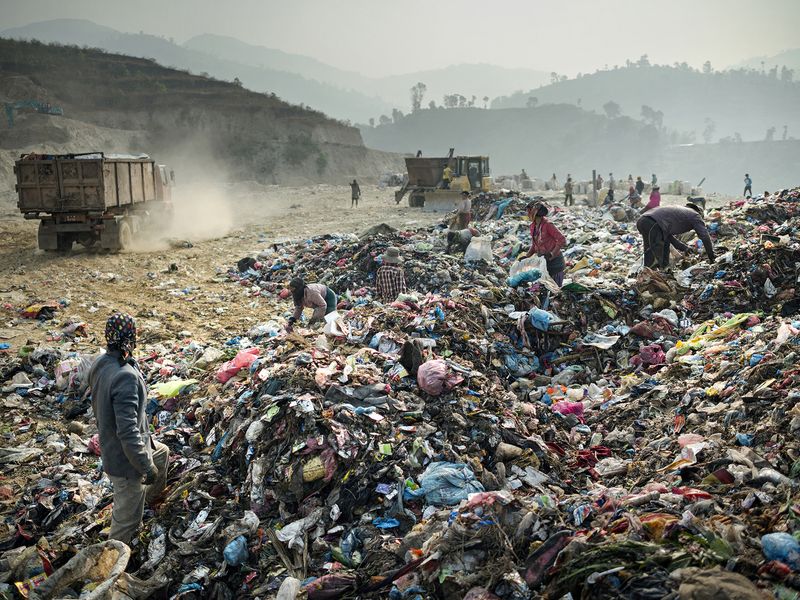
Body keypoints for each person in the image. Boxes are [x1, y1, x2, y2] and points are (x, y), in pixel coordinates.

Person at [88, 314, 169, 545]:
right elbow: (128, 432)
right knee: (125, 524)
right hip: (126, 461)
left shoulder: (102, 363)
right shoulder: (125, 376)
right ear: (130, 338)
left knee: (161, 453)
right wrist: (145, 467)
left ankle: (151, 504)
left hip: (112, 444)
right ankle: (112, 567)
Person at [635, 199, 715, 269]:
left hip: (644, 221)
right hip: (652, 223)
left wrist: (684, 248)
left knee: (664, 243)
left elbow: (669, 237)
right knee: (655, 250)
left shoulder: (681, 212)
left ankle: (663, 269)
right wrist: (711, 257)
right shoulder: (695, 216)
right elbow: (705, 237)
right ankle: (650, 274)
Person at [525, 201, 566, 286]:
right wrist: (526, 256)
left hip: (555, 264)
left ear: (534, 213)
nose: (527, 214)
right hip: (544, 262)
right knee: (544, 289)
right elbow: (534, 244)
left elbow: (562, 239)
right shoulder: (533, 226)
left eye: (528, 212)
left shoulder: (548, 225)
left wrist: (552, 254)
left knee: (554, 291)